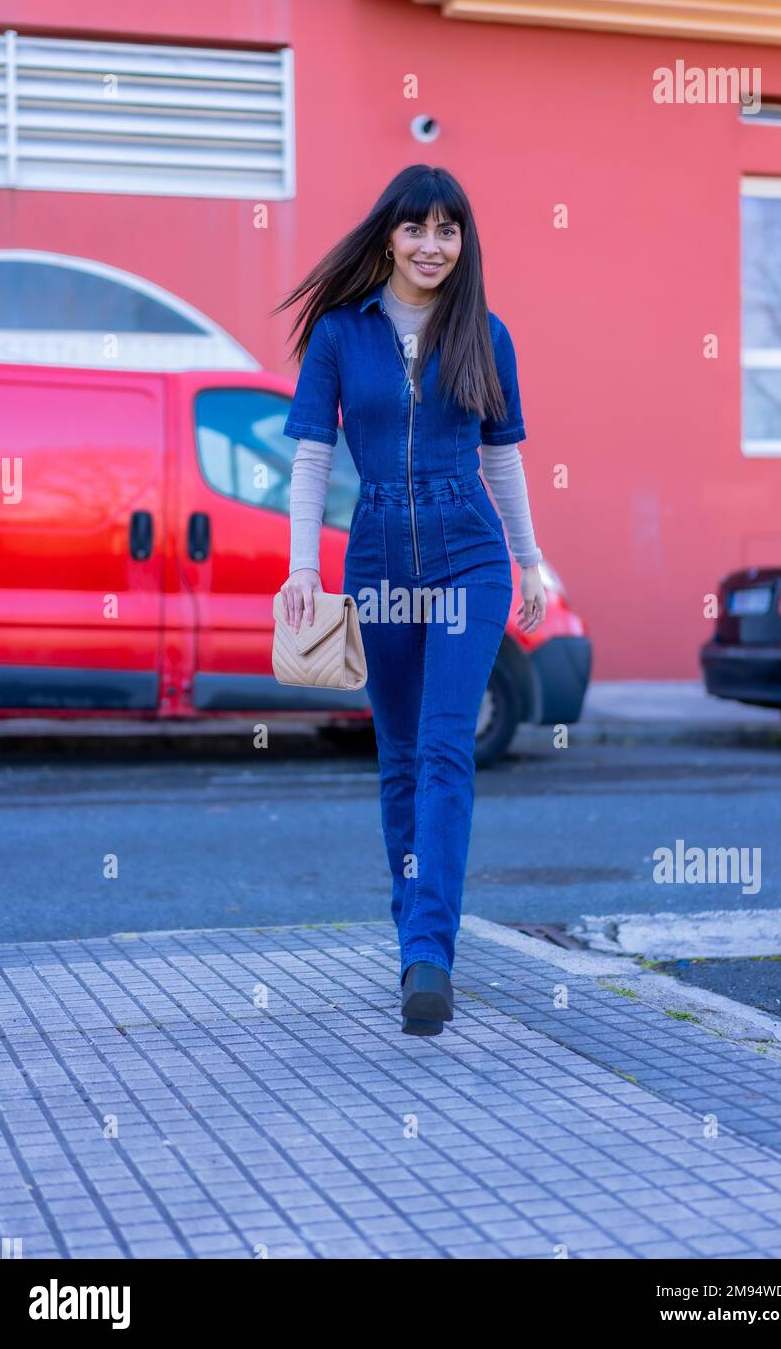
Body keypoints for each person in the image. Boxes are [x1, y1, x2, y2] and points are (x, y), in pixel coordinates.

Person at [273, 164, 546, 1036]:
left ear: (465, 242)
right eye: (417, 229)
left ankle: (431, 954)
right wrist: (302, 570)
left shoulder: (487, 333)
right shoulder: (338, 336)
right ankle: (411, 934)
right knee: (397, 759)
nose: (433, 246)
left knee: (444, 751)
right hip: (380, 559)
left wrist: (530, 561)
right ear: (388, 234)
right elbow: (312, 455)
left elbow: (501, 457)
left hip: (470, 554)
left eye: (450, 231)